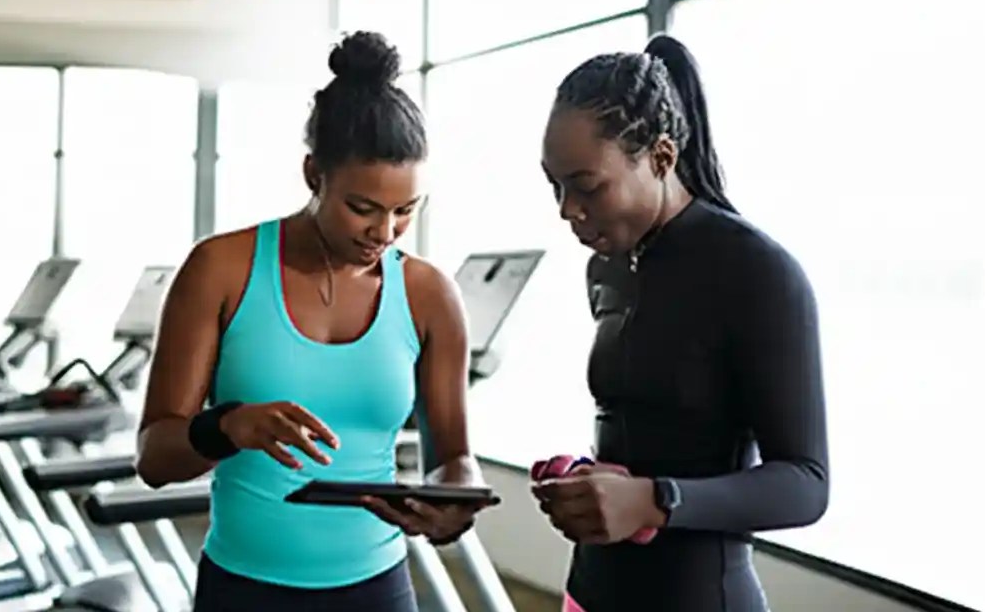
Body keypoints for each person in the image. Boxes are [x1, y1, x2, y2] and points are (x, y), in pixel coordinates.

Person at [135, 31, 491, 611]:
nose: (384, 232)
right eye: (363, 208)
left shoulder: (429, 295)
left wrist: (451, 506)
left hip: (377, 589)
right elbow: (154, 457)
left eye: (405, 211)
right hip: (244, 587)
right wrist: (226, 426)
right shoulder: (220, 269)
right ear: (312, 175)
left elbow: (454, 459)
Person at [534, 34, 830, 611]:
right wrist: (585, 484)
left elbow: (806, 483)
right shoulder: (606, 267)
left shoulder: (757, 272)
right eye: (556, 185)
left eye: (587, 186)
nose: (567, 209)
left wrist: (653, 501)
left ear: (663, 157)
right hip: (590, 592)